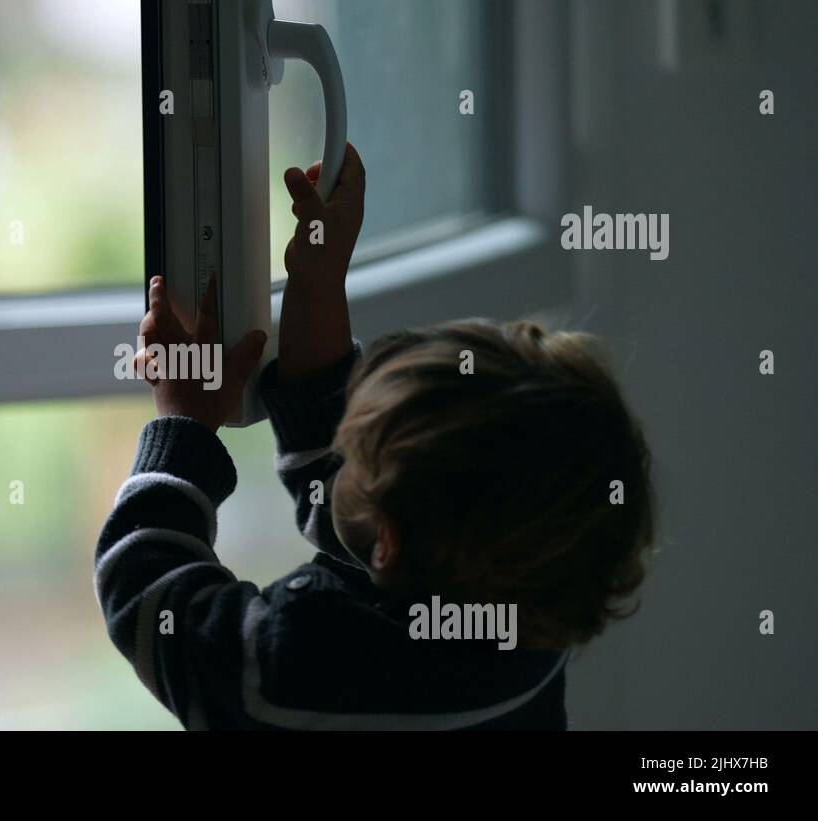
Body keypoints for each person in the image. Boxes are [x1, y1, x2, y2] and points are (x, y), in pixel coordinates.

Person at [94, 143, 654, 729]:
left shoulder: (300, 669)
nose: (339, 449)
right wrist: (318, 278)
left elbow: (148, 595)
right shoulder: (531, 605)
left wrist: (182, 429)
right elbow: (342, 493)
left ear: (388, 541)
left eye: (356, 449)